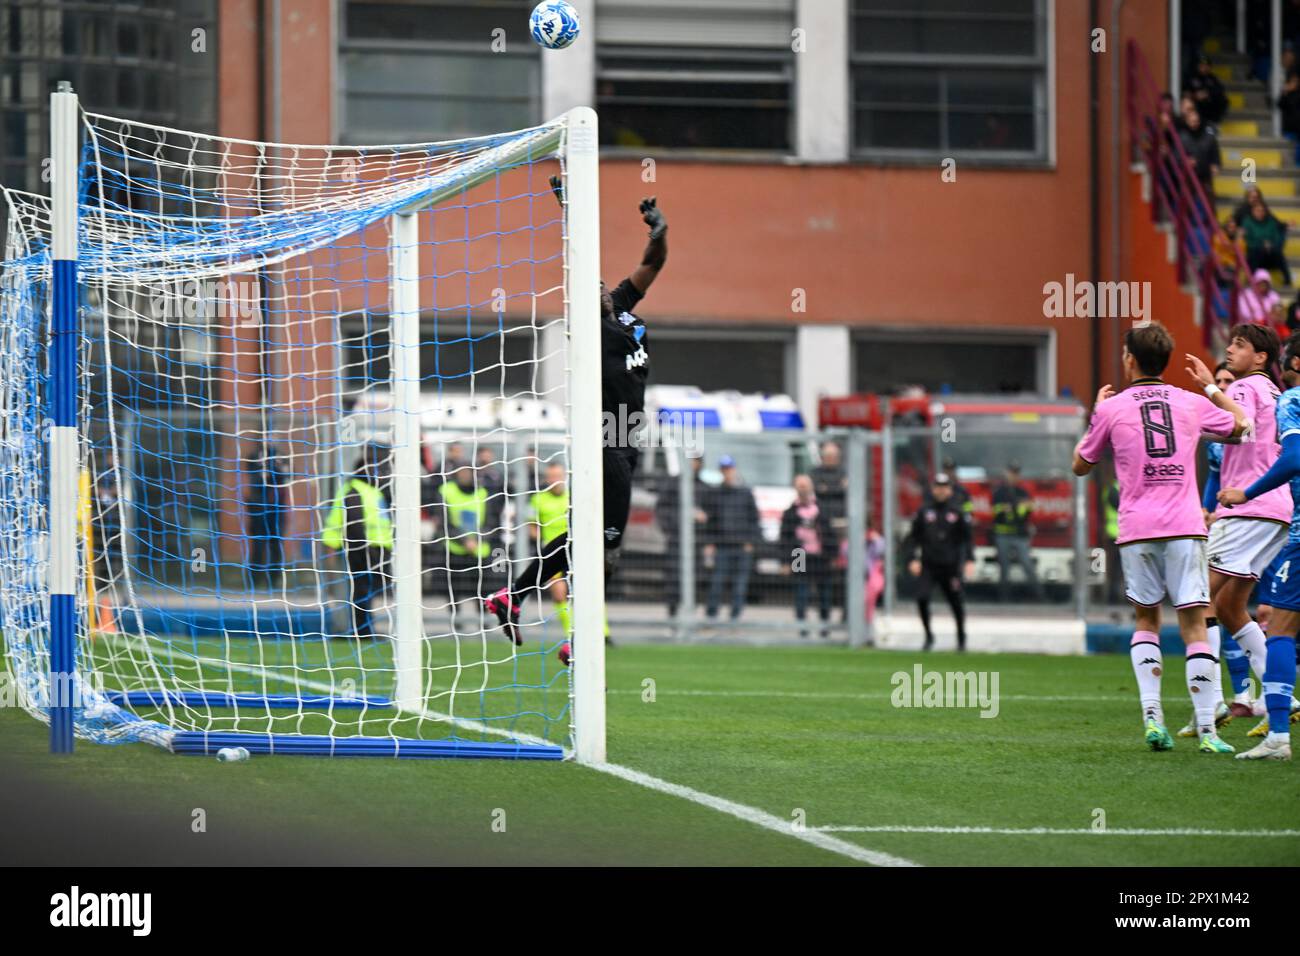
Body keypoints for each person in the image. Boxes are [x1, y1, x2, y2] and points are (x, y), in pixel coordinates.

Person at [485, 184, 667, 662]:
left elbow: (653, 265)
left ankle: (513, 596)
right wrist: (570, 208)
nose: (602, 288)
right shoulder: (591, 328)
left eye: (604, 287)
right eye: (593, 286)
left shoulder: (622, 311)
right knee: (606, 548)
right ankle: (581, 637)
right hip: (607, 439)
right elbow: (579, 260)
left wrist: (659, 232)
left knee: (581, 538)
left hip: (626, 439)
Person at [1072, 321, 1248, 753]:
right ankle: (1208, 731)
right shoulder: (1189, 402)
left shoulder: (1113, 409)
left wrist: (1097, 413)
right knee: (1193, 624)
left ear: (1130, 359)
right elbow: (1242, 426)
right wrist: (1210, 387)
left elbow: (1079, 465)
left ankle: (1154, 721)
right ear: (1166, 361)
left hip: (1137, 530)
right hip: (1185, 526)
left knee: (1146, 620)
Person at [1216, 330, 1300, 760]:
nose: (1230, 350)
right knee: (1234, 607)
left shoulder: (1260, 391)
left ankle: (1210, 705)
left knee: (1198, 600)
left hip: (1251, 509)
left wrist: (1202, 401)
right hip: (1280, 512)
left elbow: (1238, 431)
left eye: (1240, 345)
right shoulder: (1273, 392)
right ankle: (1277, 702)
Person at [1193, 361, 1259, 731]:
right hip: (1230, 518)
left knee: (1206, 600)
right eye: (1218, 382)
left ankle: (1222, 699)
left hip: (1253, 518)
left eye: (1228, 382)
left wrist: (1239, 503)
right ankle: (1246, 695)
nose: (1222, 386)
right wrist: (1207, 508)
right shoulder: (1217, 429)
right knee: (1228, 607)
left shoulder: (1254, 417)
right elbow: (1217, 474)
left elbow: (1263, 465)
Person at [322, 443, 393, 639]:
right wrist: (363, 550)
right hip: (361, 550)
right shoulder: (355, 490)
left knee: (367, 591)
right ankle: (359, 630)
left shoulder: (373, 491)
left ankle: (363, 628)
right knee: (359, 591)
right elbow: (354, 522)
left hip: (376, 548)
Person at [904, 473, 974, 652]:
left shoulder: (957, 512)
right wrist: (912, 558)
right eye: (938, 487)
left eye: (944, 487)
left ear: (950, 490)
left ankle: (961, 637)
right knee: (922, 598)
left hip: (950, 565)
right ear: (933, 489)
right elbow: (912, 538)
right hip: (929, 564)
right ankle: (928, 635)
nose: (941, 491)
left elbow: (967, 539)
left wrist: (969, 559)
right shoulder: (924, 511)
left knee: (956, 602)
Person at [432, 462, 492, 631]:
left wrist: (478, 539)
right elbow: (442, 521)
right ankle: (457, 621)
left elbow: (491, 521)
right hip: (454, 549)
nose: (465, 475)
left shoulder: (483, 493)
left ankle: (484, 622)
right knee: (453, 588)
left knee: (481, 588)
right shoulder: (446, 491)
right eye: (462, 472)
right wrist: (464, 540)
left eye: (468, 472)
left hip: (479, 549)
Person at [704, 455, 760, 622]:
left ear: (734, 470)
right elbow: (711, 521)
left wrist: (751, 542)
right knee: (716, 585)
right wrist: (710, 542)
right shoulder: (716, 493)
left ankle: (734, 619)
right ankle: (711, 617)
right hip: (722, 546)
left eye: (729, 469)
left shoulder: (745, 493)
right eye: (724, 469)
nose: (727, 472)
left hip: (742, 547)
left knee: (740, 587)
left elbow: (754, 519)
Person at [780, 474, 837, 638]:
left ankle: (824, 626)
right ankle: (803, 627)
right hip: (799, 555)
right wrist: (785, 561)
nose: (803, 488)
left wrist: (833, 555)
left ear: (811, 487)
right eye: (800, 485)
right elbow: (784, 538)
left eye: (805, 485)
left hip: (821, 555)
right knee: (801, 593)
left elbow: (831, 534)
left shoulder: (822, 508)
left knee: (825, 593)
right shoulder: (790, 512)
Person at [655, 454, 707, 618]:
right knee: (673, 577)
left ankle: (690, 614)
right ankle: (673, 614)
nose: (693, 464)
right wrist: (678, 521)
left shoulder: (704, 487)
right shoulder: (673, 484)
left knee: (696, 578)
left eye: (696, 461)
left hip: (696, 542)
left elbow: (712, 515)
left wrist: (703, 519)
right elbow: (662, 509)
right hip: (677, 539)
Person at [991, 460, 1044, 602]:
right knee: (1004, 568)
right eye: (1011, 473)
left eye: (1016, 474)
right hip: (1002, 534)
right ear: (1006, 474)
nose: (1013, 476)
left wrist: (1015, 508)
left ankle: (1039, 597)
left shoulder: (1023, 492)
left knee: (1027, 565)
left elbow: (1027, 511)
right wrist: (1013, 508)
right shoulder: (999, 492)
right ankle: (1003, 598)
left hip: (1020, 535)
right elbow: (997, 512)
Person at [247, 445, 288, 589]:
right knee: (258, 545)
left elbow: (288, 474)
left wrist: (275, 468)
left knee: (275, 545)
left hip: (276, 511)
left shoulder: (281, 457)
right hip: (258, 508)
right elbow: (250, 472)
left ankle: (273, 580)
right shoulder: (255, 456)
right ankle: (254, 579)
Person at [1241, 202, 1291, 287]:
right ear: (1252, 211)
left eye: (1262, 211)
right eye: (1257, 210)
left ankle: (1287, 280)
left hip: (1270, 253)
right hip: (1254, 255)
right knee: (1255, 252)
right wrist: (1262, 244)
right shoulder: (1247, 222)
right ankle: (1250, 280)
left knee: (1277, 252)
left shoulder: (1271, 221)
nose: (1260, 213)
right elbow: (1247, 241)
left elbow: (1277, 237)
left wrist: (1271, 245)